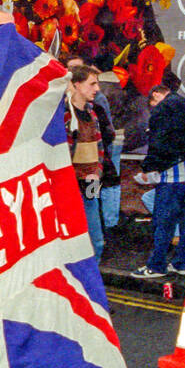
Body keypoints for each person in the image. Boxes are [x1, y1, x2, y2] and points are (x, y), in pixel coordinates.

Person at [131, 81, 185, 278]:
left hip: (172, 176)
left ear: (156, 95)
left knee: (164, 222)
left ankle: (156, 266)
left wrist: (149, 167)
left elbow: (158, 144)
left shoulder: (162, 110)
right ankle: (182, 263)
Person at [63, 65, 112, 258]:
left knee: (96, 240)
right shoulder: (66, 115)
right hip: (71, 185)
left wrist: (97, 174)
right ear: (76, 85)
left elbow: (99, 148)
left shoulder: (92, 113)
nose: (97, 88)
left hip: (91, 181)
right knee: (74, 240)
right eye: (92, 84)